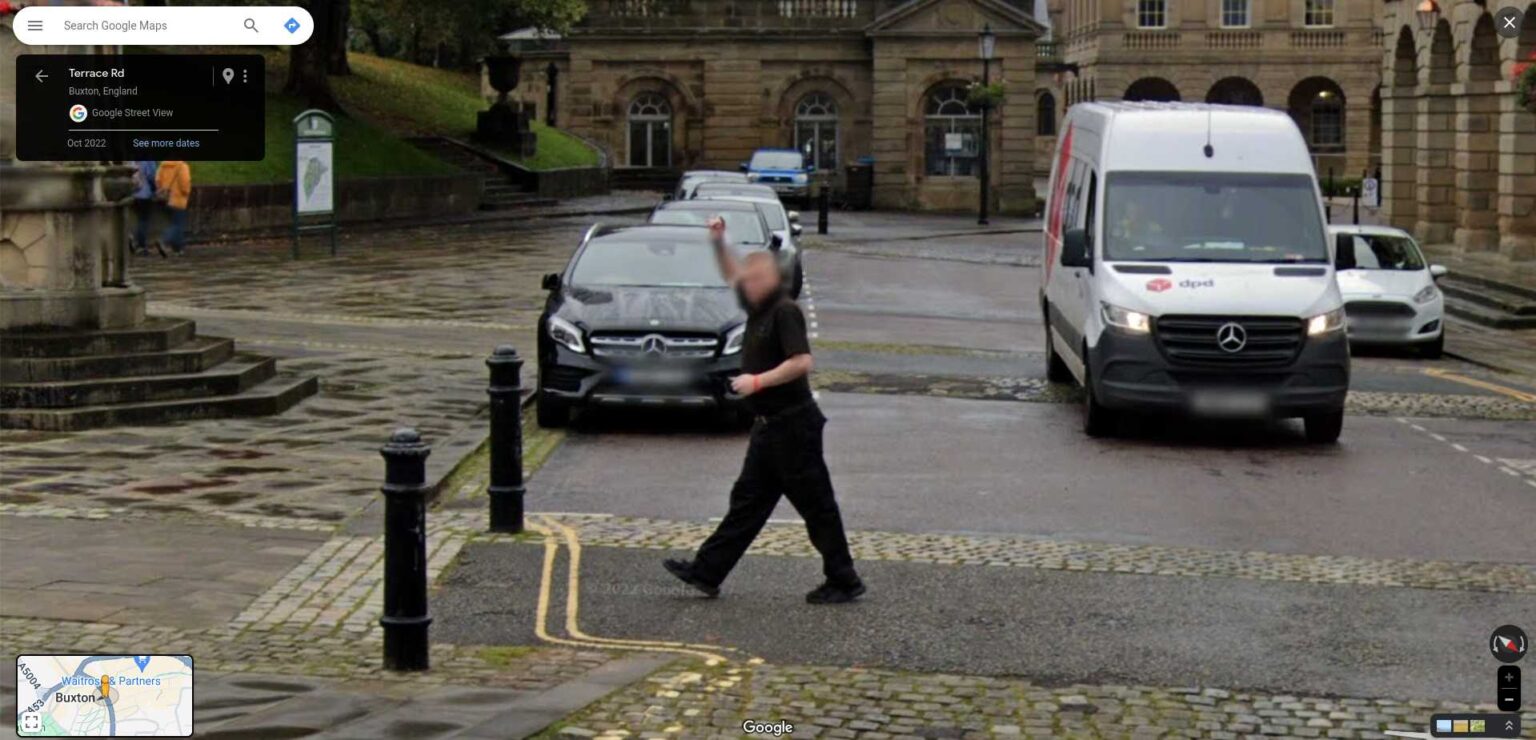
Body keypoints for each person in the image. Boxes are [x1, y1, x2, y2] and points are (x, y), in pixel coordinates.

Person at [663, 216, 865, 604]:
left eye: (757, 276)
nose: (748, 281)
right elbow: (730, 272)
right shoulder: (757, 306)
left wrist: (757, 382)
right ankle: (707, 572)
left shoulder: (784, 311)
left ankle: (844, 579)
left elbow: (802, 362)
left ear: (776, 279)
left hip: (794, 425)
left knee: (816, 505)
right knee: (748, 503)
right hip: (769, 427)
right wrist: (719, 241)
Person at [153, 160, 192, 256]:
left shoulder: (163, 165)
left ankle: (178, 248)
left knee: (173, 222)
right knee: (177, 224)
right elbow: (185, 182)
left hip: (165, 199)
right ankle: (164, 240)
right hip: (178, 199)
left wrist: (162, 189)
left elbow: (157, 180)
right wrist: (186, 192)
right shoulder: (182, 166)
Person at [130, 160, 157, 255]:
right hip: (144, 194)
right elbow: (151, 176)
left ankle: (131, 237)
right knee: (143, 220)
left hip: (130, 194)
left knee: (132, 218)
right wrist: (155, 189)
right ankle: (141, 245)